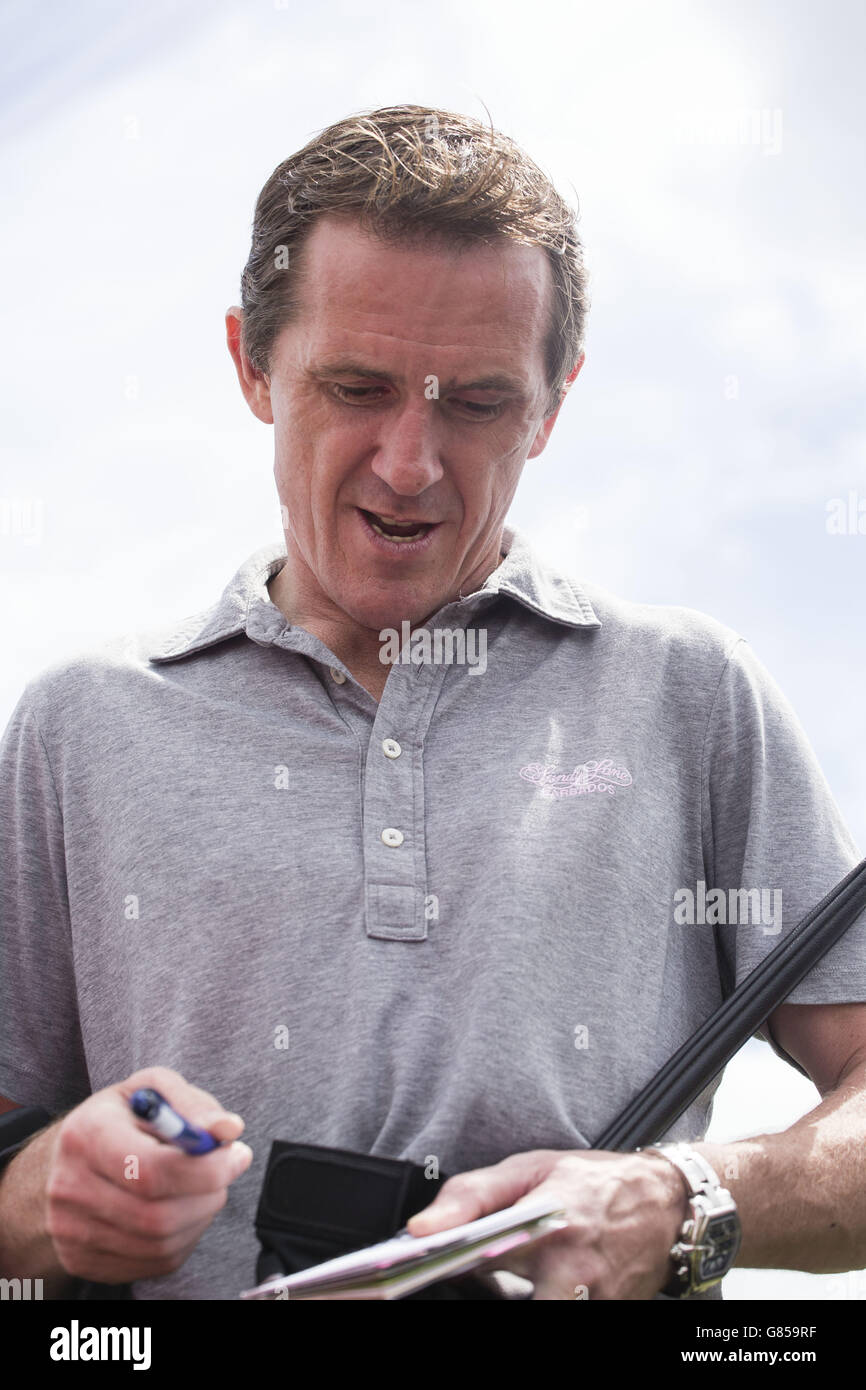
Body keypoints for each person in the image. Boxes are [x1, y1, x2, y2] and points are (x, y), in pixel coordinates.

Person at [1, 104, 865, 1302]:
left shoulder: (691, 694)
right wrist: (34, 1196)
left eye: (475, 403)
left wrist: (680, 1202)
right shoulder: (75, 727)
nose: (409, 463)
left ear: (553, 404)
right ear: (252, 363)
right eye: (355, 386)